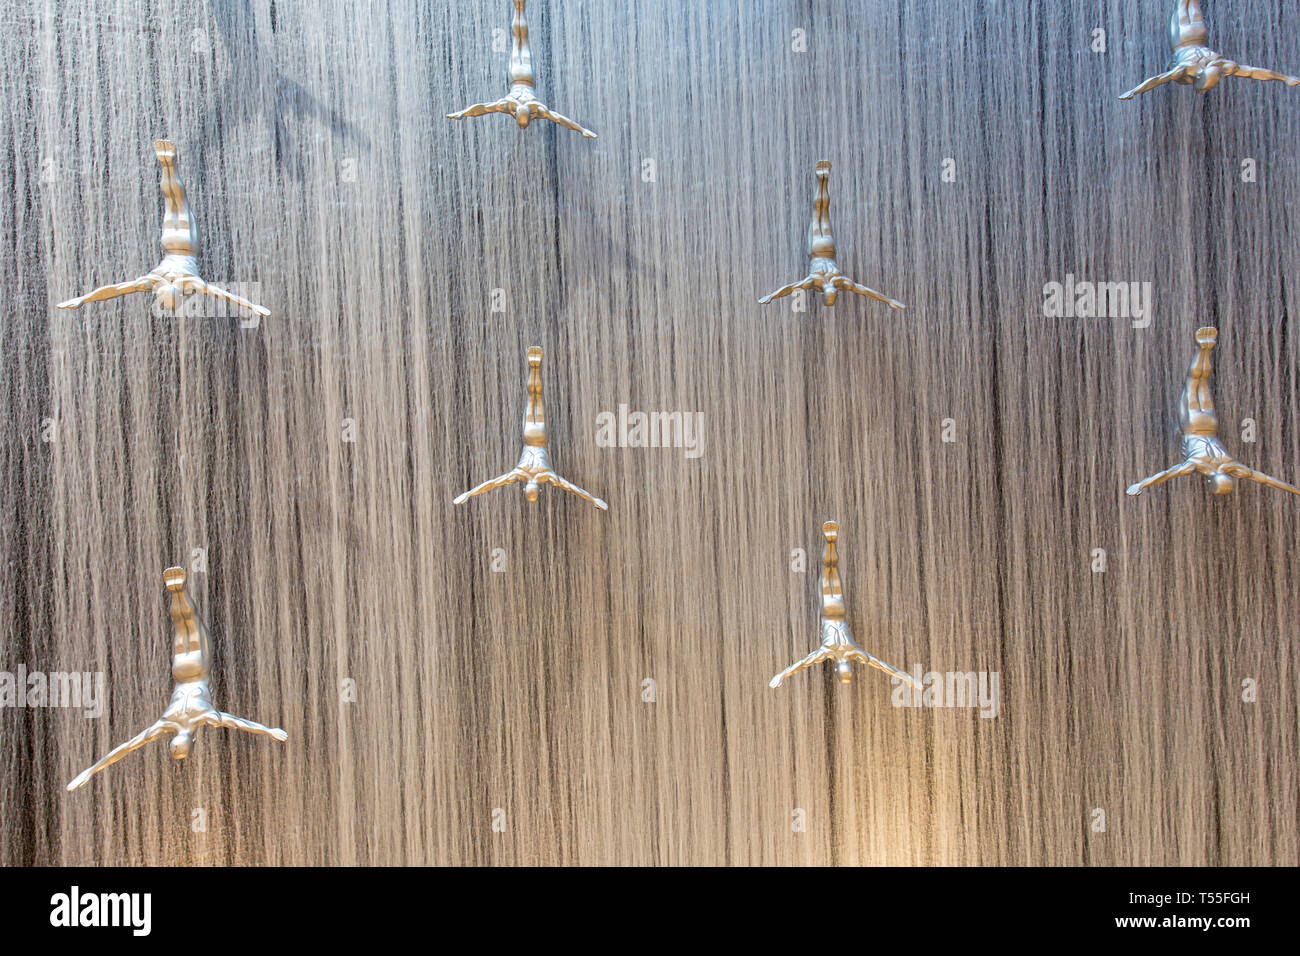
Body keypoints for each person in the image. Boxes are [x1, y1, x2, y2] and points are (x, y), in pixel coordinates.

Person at [66, 567, 286, 791]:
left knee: (192, 623)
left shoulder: (207, 717)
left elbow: (240, 723)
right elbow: (127, 747)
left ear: (193, 741)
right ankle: (176, 593)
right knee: (182, 626)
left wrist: (268, 731)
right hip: (180, 671)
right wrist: (90, 771)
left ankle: (179, 591)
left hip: (199, 668)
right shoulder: (165, 724)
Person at [57, 141, 270, 317]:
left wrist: (83, 300)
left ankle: (169, 166)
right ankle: (168, 166)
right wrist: (252, 307)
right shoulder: (163, 282)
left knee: (177, 202)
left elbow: (115, 290)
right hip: (175, 244)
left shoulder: (182, 283)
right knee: (173, 202)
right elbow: (116, 289)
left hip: (184, 246)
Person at [1127, 327, 1300, 497]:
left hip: (1210, 423)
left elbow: (1266, 479)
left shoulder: (1233, 466)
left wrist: (1296, 490)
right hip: (1192, 425)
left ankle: (1206, 350)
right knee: (1192, 383)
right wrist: (1142, 484)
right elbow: (1167, 473)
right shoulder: (1196, 464)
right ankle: (1203, 349)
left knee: (1202, 383)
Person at [454, 346, 608, 510]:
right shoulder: (528, 475)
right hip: (531, 437)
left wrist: (469, 494)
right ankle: (534, 368)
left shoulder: (540, 475)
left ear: (535, 489)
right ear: (526, 488)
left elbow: (491, 484)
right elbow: (571, 488)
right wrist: (593, 499)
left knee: (536, 398)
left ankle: (535, 368)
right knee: (533, 397)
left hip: (539, 437)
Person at [770, 522, 919, 688]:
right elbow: (883, 666)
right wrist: (907, 679)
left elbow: (882, 665)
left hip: (839, 607)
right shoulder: (829, 651)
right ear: (836, 670)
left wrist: (908, 679)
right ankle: (831, 542)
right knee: (828, 569)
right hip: (829, 608)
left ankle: (831, 542)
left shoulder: (852, 651)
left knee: (831, 568)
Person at [760, 161, 904, 310]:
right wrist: (888, 301)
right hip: (816, 249)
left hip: (829, 247)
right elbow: (790, 288)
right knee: (818, 213)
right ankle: (822, 181)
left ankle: (824, 181)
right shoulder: (815, 281)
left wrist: (889, 300)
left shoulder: (840, 282)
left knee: (823, 212)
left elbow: (865, 290)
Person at [446, 0, 596, 138]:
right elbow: (483, 108)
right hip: (516, 76)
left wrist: (462, 113)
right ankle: (519, 8)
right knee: (518, 40)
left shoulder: (531, 107)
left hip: (527, 77)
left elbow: (482, 108)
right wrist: (581, 130)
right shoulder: (512, 105)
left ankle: (520, 7)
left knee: (522, 40)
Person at [1120, 0, 1299, 99]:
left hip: (1199, 32)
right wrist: (1134, 92)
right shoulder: (1187, 69)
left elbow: (1254, 72)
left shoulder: (1222, 66)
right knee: (1182, 5)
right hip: (1182, 39)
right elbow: (1159, 79)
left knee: (1189, 3)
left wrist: (1285, 78)